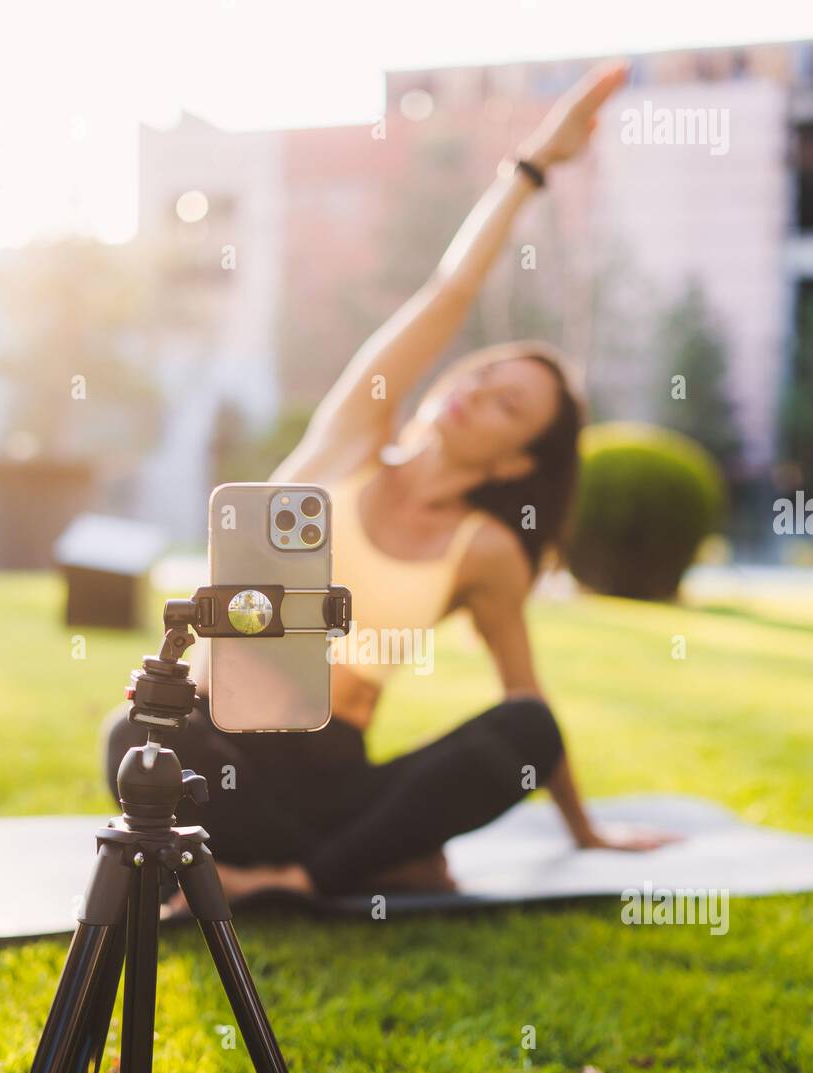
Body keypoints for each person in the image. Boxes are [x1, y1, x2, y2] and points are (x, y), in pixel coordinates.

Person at [104, 59, 676, 904]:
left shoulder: (486, 553)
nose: (474, 392)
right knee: (135, 734)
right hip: (230, 751)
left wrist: (585, 832)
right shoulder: (349, 442)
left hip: (340, 773)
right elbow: (449, 292)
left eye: (506, 405)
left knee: (525, 727)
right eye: (479, 375)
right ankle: (364, 861)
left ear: (519, 461)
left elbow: (528, 710)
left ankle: (290, 878)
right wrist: (530, 167)